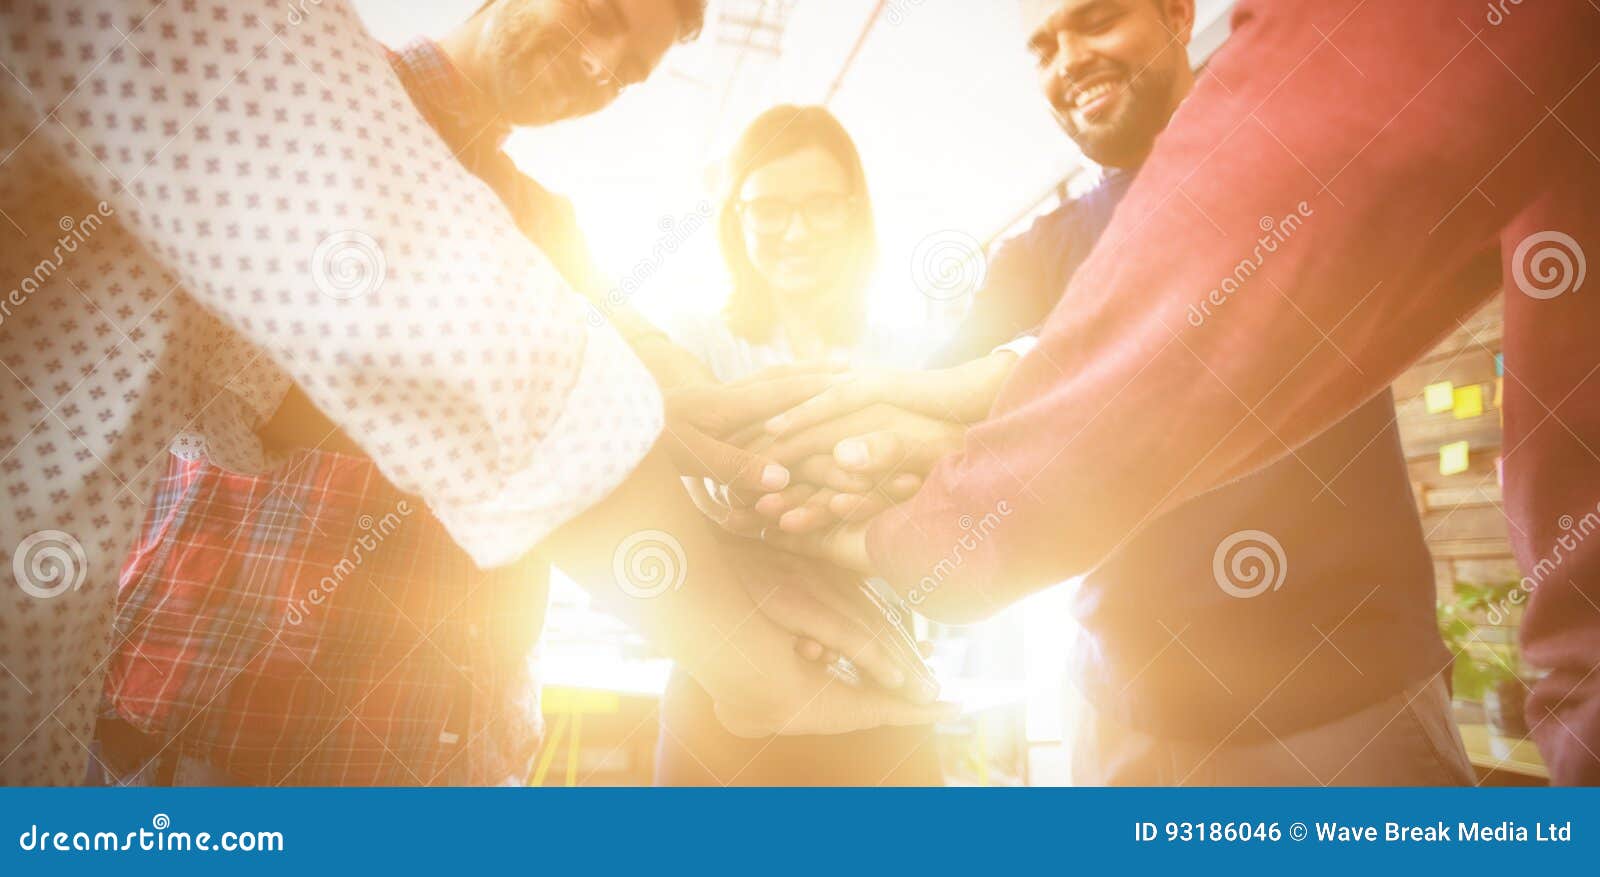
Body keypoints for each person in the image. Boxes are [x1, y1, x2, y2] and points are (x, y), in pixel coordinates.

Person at [0, 0, 943, 786]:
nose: (599, 62)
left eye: (628, 73)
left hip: (433, 751)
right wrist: (734, 640)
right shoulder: (282, 78)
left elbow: (649, 370)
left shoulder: (550, 224)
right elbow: (310, 368)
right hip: (200, 726)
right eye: (600, 13)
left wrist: (783, 439)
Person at [756, 0, 1600, 783]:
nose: (1068, 60)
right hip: (1124, 717)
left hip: (1348, 709)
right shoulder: (1033, 256)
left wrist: (936, 487)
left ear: (1176, 12)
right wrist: (853, 448)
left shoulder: (1290, 155)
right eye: (1043, 47)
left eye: (1096, 20)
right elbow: (928, 403)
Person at [653, 105, 944, 786]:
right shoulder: (690, 343)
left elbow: (941, 512)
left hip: (884, 677)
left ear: (855, 213)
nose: (796, 231)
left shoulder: (911, 353)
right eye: (769, 208)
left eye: (821, 206)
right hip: (725, 690)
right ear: (736, 218)